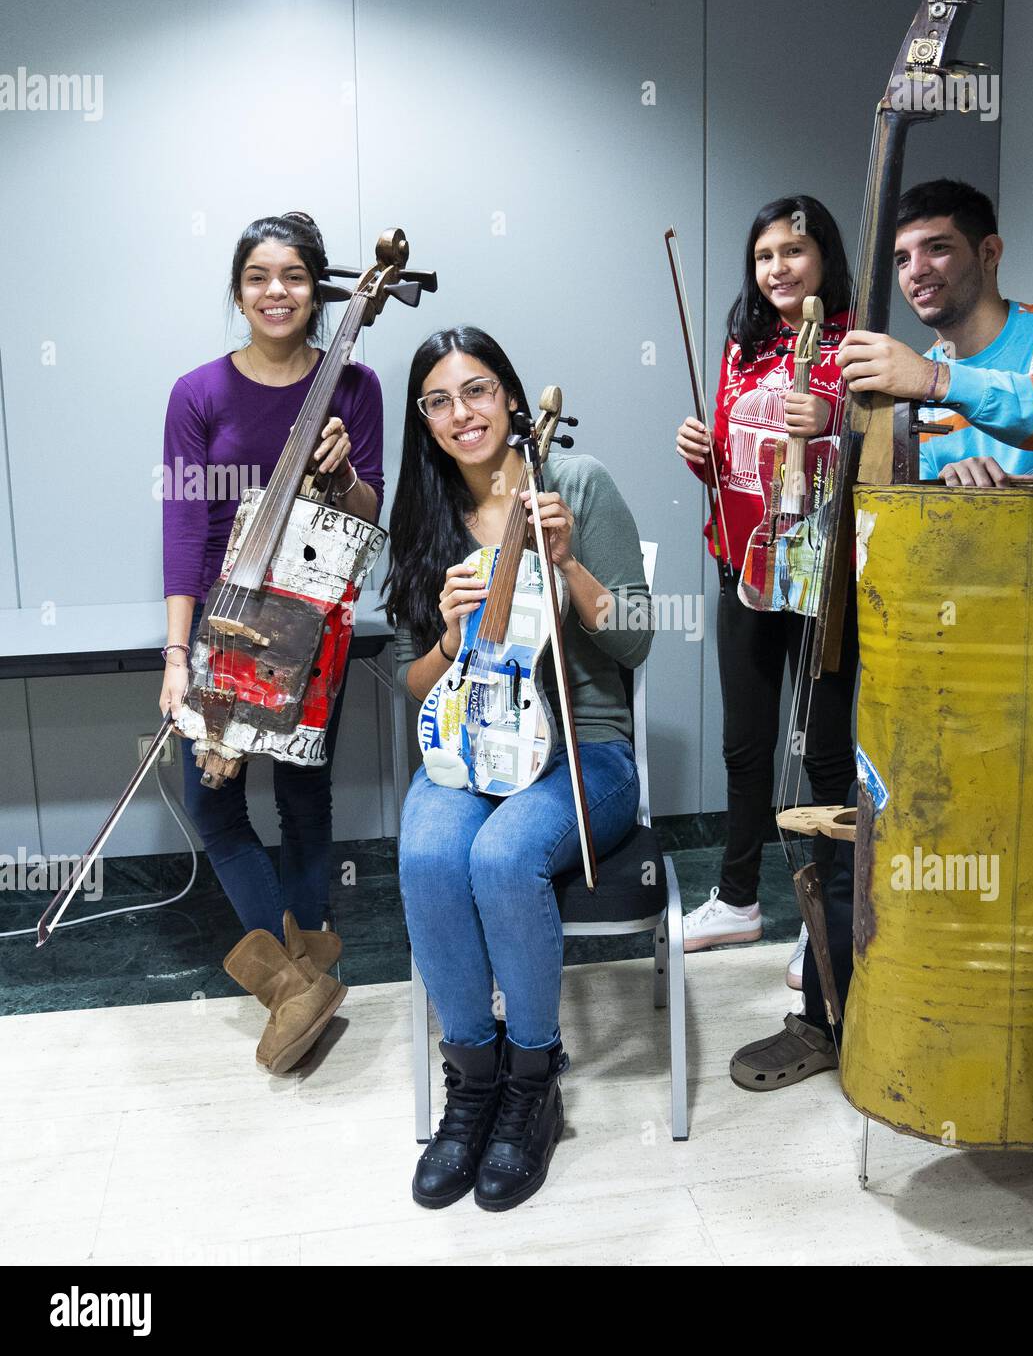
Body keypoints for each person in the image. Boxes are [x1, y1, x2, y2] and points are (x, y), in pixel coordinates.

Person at [733, 179, 1033, 1149]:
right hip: (963, 655)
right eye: (900, 258)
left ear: (990, 251)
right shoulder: (908, 396)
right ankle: (878, 1013)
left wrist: (936, 389)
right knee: (901, 814)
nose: (916, 272)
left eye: (936, 248)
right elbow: (895, 531)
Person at [386, 325, 652, 1211]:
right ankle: (474, 1082)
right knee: (428, 854)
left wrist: (569, 562)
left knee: (501, 858)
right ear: (424, 422)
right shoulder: (423, 515)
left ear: (509, 396)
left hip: (585, 752)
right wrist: (452, 636)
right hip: (474, 746)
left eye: (478, 391)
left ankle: (534, 1084)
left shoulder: (575, 484)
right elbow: (411, 680)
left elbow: (636, 635)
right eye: (439, 401)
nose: (462, 414)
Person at [159, 211, 384, 1074]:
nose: (276, 291)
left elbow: (368, 520)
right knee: (214, 804)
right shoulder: (197, 393)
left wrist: (344, 475)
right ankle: (297, 986)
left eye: (293, 275)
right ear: (239, 289)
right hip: (222, 621)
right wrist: (179, 657)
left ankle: (309, 964)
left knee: (303, 801)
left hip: (308, 623)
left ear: (320, 289)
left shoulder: (352, 386)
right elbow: (184, 531)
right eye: (258, 275)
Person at [674, 196, 857, 985]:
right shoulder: (741, 345)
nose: (777, 268)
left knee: (824, 754)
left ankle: (829, 913)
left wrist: (838, 422)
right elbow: (735, 465)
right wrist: (700, 455)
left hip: (825, 578)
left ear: (824, 259)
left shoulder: (855, 344)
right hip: (744, 564)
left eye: (793, 251)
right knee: (745, 746)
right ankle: (739, 898)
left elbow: (889, 459)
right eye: (763, 256)